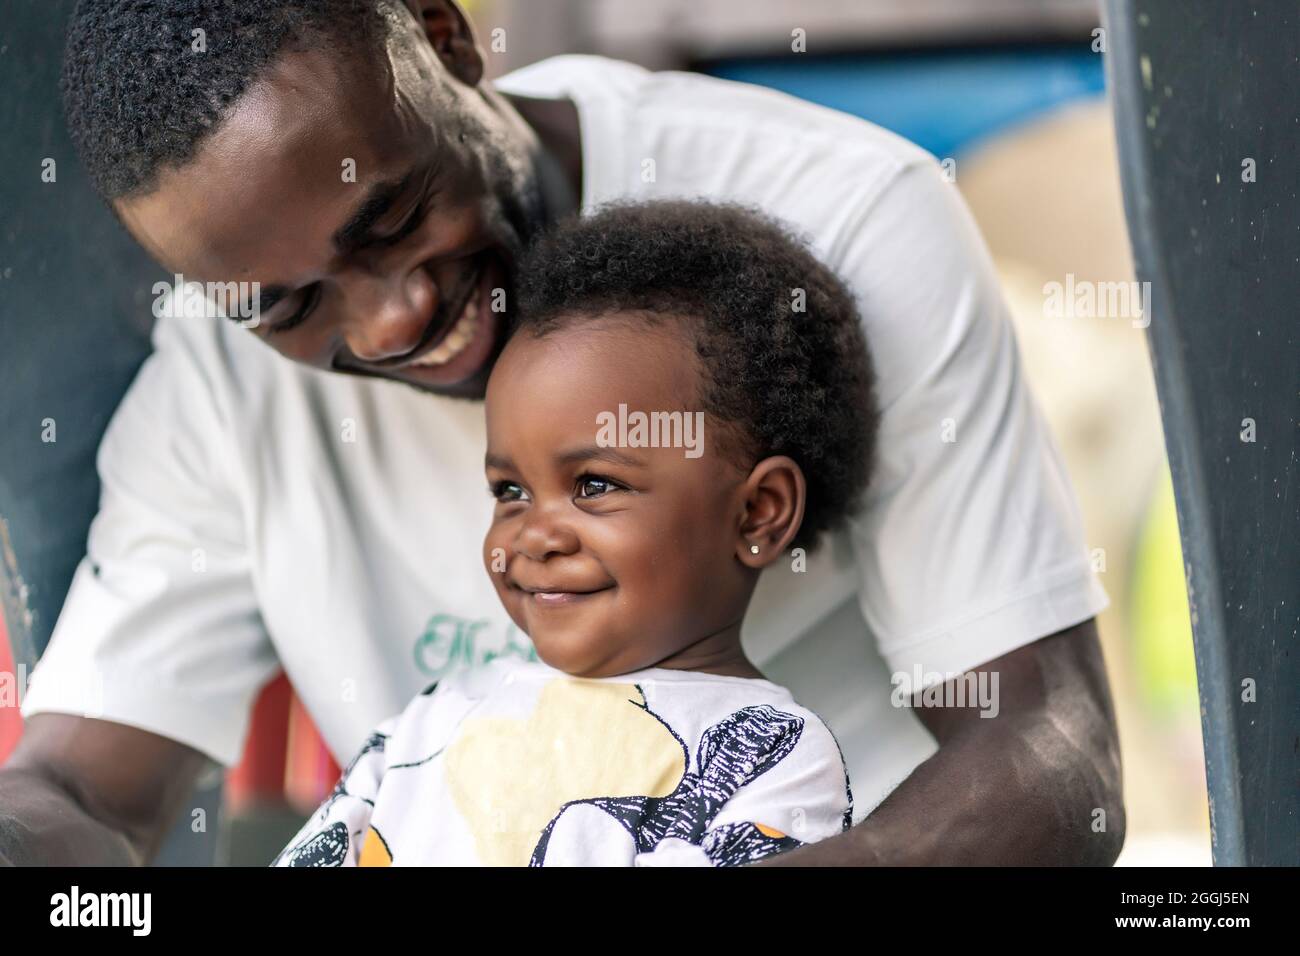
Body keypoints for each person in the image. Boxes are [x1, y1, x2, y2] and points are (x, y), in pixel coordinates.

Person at [0, 0, 1123, 866]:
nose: (393, 318)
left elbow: (1048, 748)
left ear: (443, 39)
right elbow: (79, 788)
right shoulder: (217, 387)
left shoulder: (842, 217)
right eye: (289, 305)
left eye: (392, 217)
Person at [275, 201, 870, 866]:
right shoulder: (433, 720)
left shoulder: (770, 759)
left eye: (594, 484)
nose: (535, 536)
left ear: (759, 512)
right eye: (510, 492)